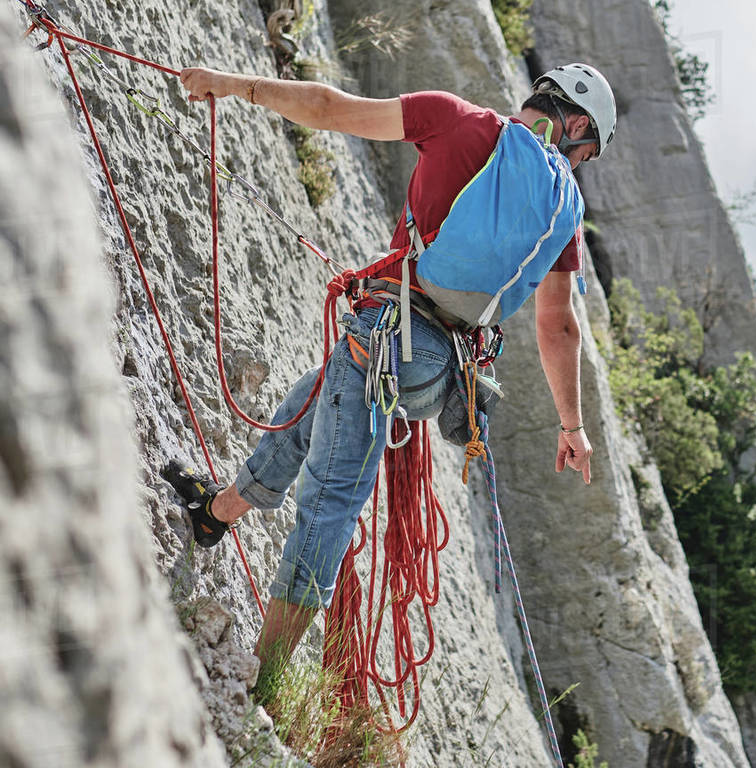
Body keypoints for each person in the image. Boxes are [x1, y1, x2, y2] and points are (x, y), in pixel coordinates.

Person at [161, 62, 616, 697]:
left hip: (385, 337)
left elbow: (326, 106)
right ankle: (215, 515)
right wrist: (572, 426)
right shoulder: (563, 211)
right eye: (586, 150)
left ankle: (259, 686)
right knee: (310, 406)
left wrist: (233, 86)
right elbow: (558, 327)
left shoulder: (457, 119)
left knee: (330, 502)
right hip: (437, 372)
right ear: (576, 123)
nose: (578, 164)